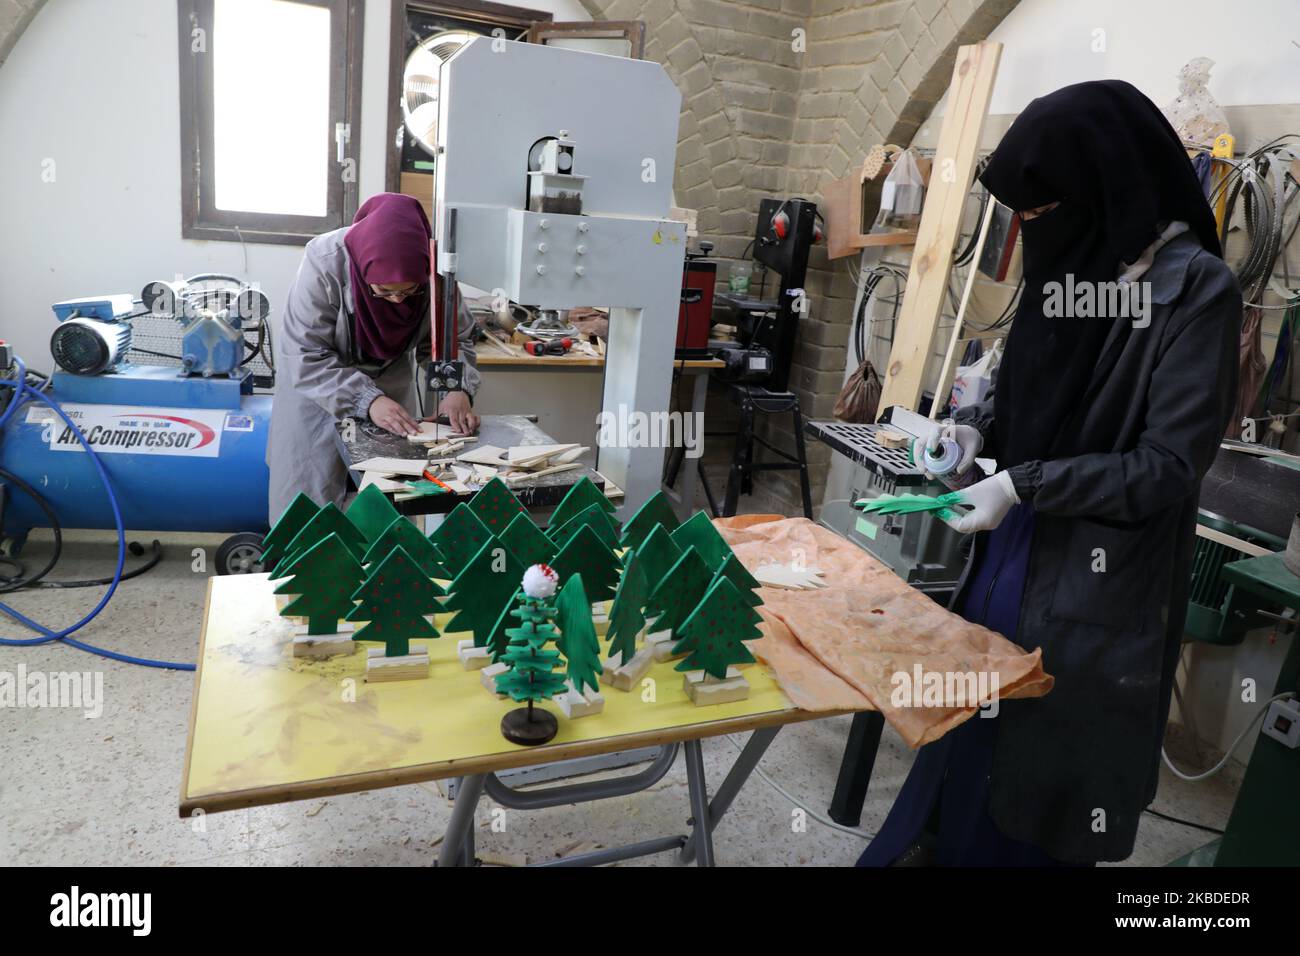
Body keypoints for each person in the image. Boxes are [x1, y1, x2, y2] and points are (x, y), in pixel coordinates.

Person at [858, 80, 1241, 866]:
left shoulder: (1196, 290)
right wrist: (975, 431)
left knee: (1031, 777)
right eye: (1024, 218)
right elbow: (1031, 383)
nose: (1035, 232)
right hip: (1013, 545)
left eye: (1042, 213)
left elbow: (1166, 466)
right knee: (968, 734)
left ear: (1102, 189)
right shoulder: (1078, 262)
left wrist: (1021, 485)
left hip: (1097, 569)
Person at [266, 193, 480, 518]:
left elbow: (451, 338)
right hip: (318, 389)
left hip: (389, 380)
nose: (397, 301)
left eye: (409, 292)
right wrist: (366, 399)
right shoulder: (324, 262)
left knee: (388, 497)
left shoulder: (433, 269)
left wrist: (455, 388)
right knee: (308, 504)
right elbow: (305, 354)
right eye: (384, 291)